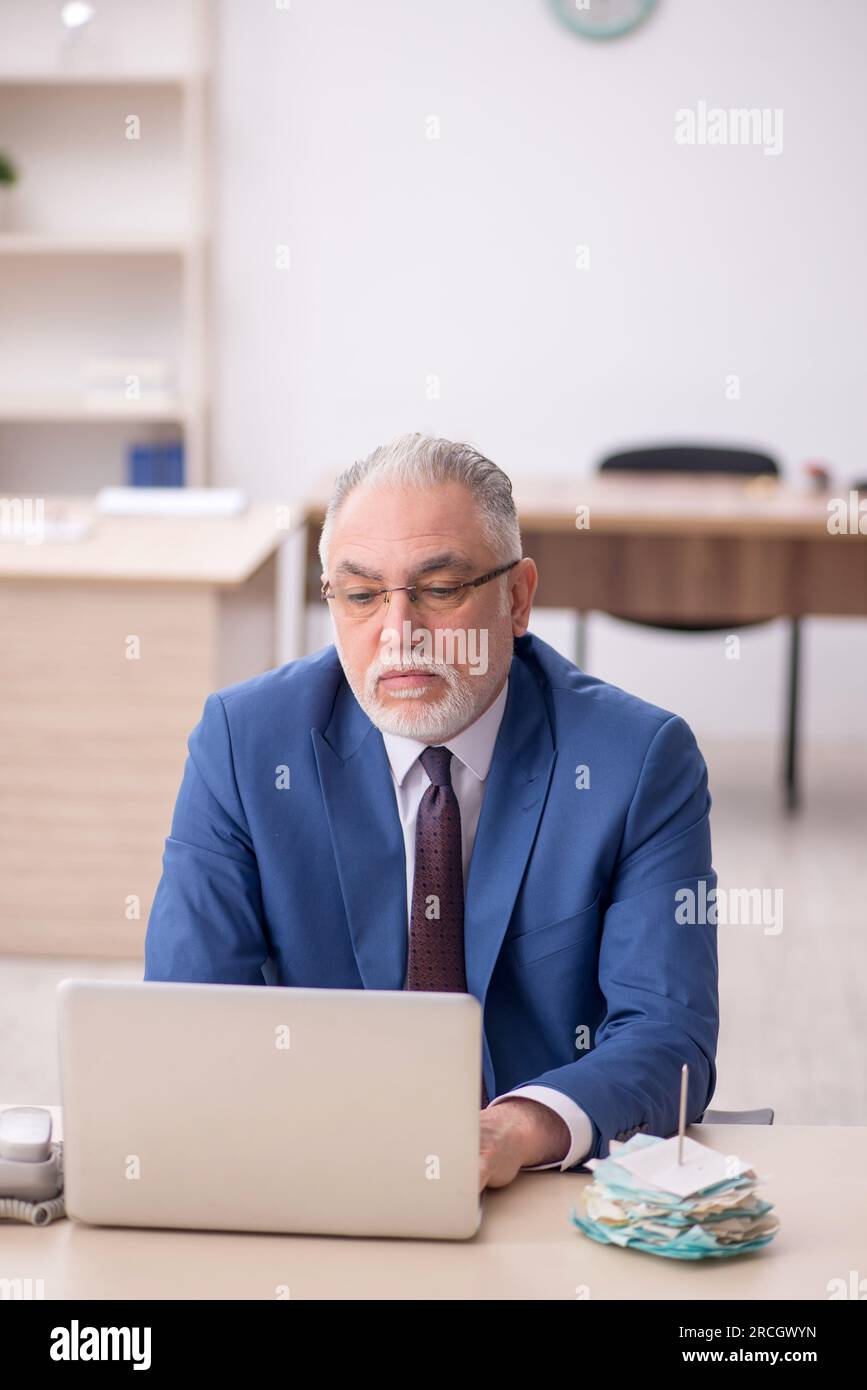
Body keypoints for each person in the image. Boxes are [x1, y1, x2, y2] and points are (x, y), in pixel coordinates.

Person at [145, 432, 719, 1191]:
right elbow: (189, 1012)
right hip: (306, 1168)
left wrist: (514, 1132)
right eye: (360, 595)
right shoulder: (245, 745)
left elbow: (667, 1033)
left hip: (540, 1183)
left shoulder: (636, 761)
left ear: (516, 599)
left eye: (439, 590)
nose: (397, 632)